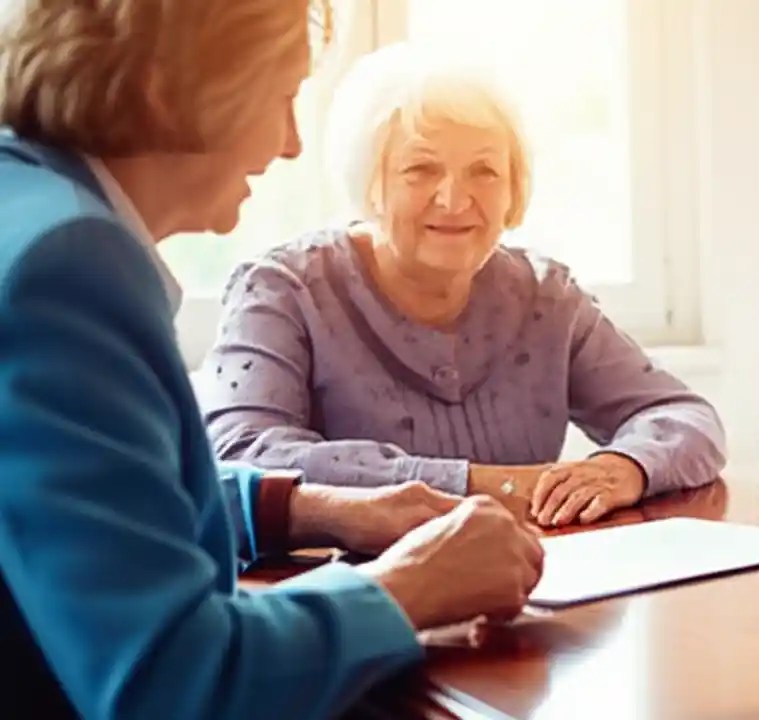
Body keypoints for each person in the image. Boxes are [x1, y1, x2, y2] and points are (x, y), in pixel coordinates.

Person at [0, 3, 542, 718]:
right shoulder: (67, 264)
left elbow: (95, 504)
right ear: (170, 91)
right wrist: (412, 584)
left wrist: (309, 507)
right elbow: (173, 681)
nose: (289, 145)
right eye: (282, 97)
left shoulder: (24, 205)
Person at [197, 43, 726, 529]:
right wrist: (478, 484)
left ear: (513, 190)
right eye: (421, 169)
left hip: (531, 590)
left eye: (484, 172)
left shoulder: (547, 295)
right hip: (348, 596)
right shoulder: (283, 290)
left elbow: (686, 417)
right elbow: (240, 457)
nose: (453, 199)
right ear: (371, 182)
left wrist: (625, 466)